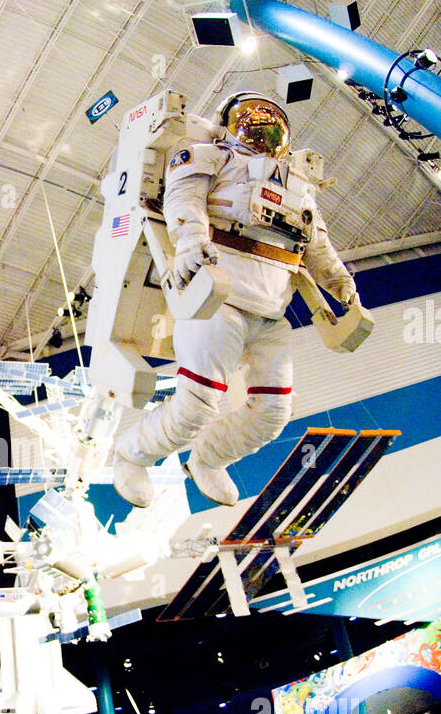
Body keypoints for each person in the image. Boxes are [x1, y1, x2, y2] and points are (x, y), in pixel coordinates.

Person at [113, 92, 359, 509]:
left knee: (274, 413)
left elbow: (317, 246)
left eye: (270, 123)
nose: (261, 131)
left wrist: (341, 284)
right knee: (198, 404)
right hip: (219, 296)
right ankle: (132, 454)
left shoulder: (299, 189)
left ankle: (208, 459)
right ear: (228, 122)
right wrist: (190, 243)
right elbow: (183, 201)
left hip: (271, 311)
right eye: (251, 119)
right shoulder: (207, 156)